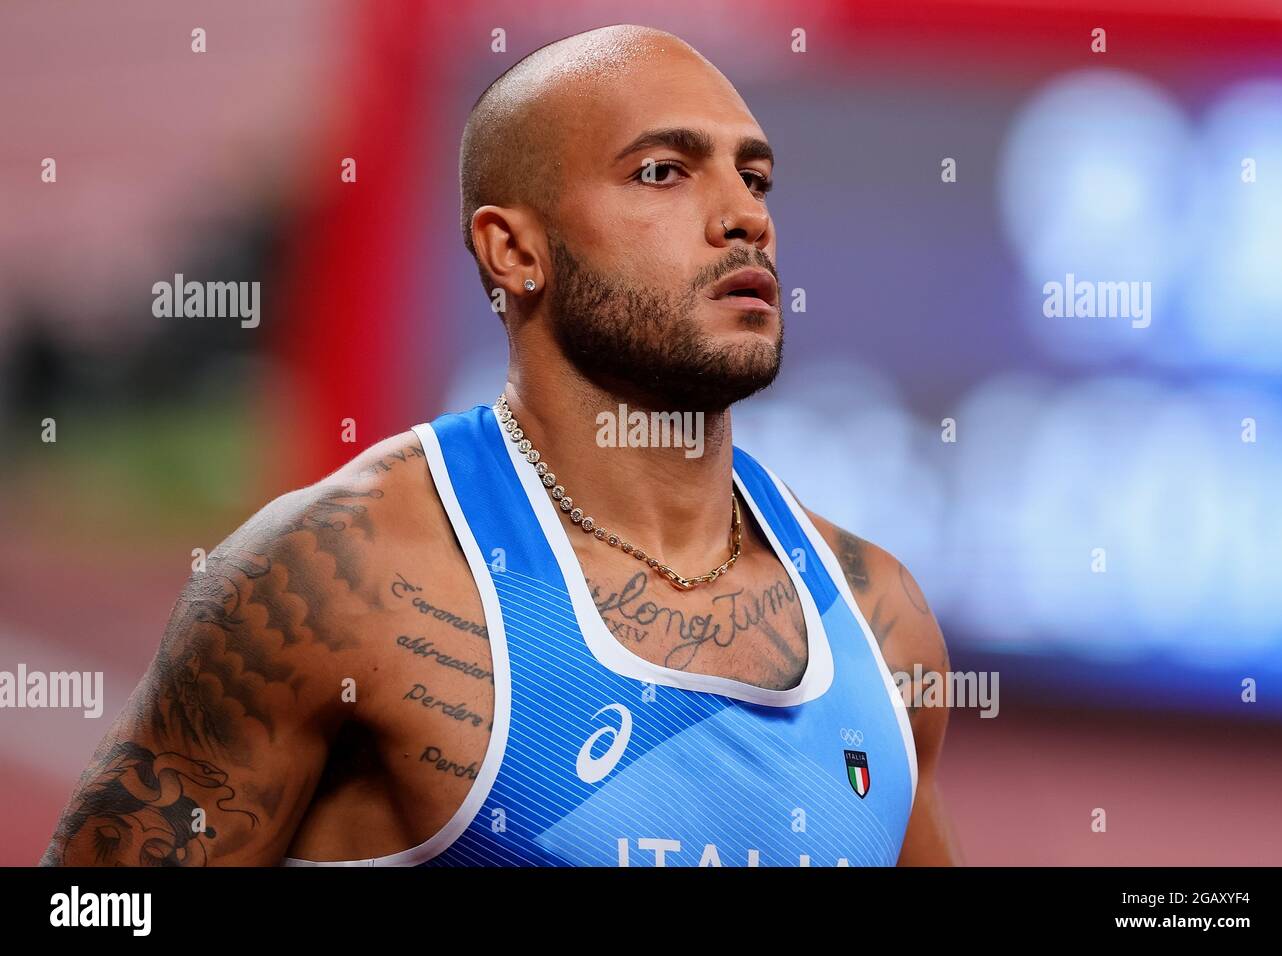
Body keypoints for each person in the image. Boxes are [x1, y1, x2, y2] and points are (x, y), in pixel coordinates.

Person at [42, 23, 959, 867]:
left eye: (753, 177)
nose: (743, 215)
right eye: (662, 172)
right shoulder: (342, 579)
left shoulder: (881, 623)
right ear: (513, 251)